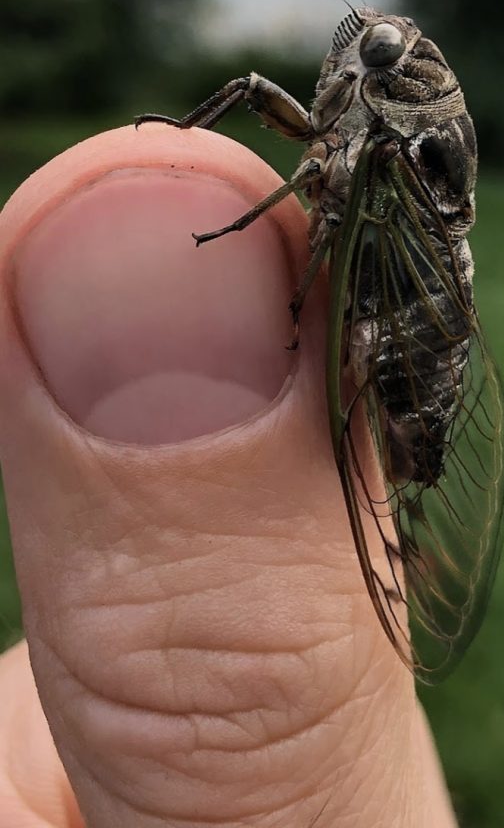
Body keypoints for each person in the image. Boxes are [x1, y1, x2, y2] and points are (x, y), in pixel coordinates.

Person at [0, 125, 458, 827]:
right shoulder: (363, 136)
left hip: (403, 319)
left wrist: (238, 232)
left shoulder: (383, 149)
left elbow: (330, 205)